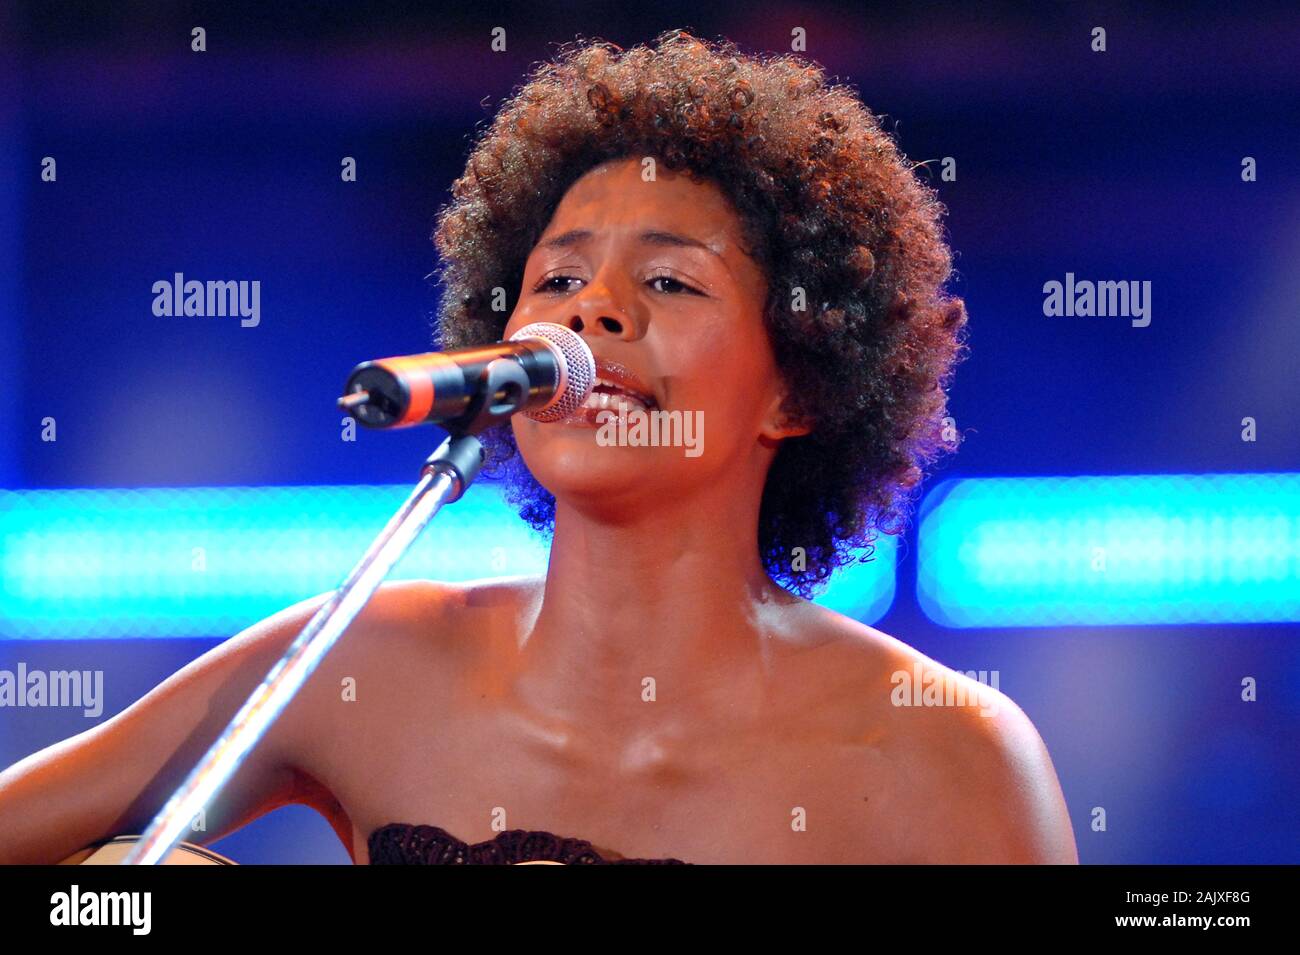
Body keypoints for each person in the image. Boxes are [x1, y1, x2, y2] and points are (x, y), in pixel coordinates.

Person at [0, 30, 1077, 864]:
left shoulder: (942, 751)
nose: (591, 312)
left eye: (667, 281)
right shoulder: (358, 665)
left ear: (796, 386)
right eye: (557, 280)